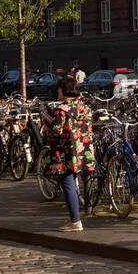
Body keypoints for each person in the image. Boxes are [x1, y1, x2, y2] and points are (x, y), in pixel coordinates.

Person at [43, 75, 95, 232]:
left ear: (63, 90)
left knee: (68, 185)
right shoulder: (84, 107)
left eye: (59, 88)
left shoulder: (62, 109)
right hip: (82, 150)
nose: (57, 91)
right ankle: (74, 217)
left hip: (65, 152)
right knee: (73, 182)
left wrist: (47, 125)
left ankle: (75, 221)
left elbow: (55, 132)